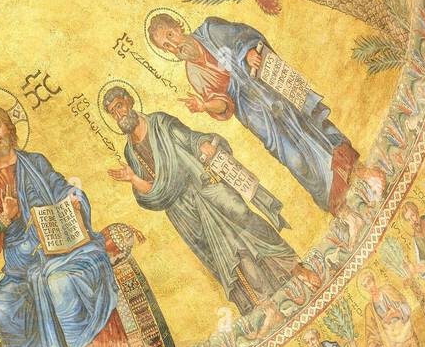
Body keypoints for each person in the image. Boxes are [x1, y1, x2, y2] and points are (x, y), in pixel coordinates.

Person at [0, 105, 128, 347]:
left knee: (58, 283)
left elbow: (62, 190)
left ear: (10, 128)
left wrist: (73, 197)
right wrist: (3, 219)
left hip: (61, 250)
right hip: (21, 267)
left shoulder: (35, 163)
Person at [104, 86, 306, 313]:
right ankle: (261, 305)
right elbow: (151, 193)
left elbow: (188, 137)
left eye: (119, 106)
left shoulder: (159, 123)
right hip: (182, 212)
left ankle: (292, 266)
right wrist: (134, 179)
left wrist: (202, 144)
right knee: (220, 254)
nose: (118, 114)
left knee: (242, 216)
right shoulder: (131, 153)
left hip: (202, 185)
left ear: (130, 101)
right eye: (113, 112)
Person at [148, 13, 358, 213]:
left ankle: (355, 172)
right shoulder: (194, 74)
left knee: (308, 125)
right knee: (294, 160)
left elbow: (243, 36)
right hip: (254, 114)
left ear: (178, 26)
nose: (174, 45)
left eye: (170, 35)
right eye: (166, 46)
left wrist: (248, 52)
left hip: (268, 87)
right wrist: (205, 106)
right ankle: (333, 200)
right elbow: (224, 106)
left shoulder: (211, 30)